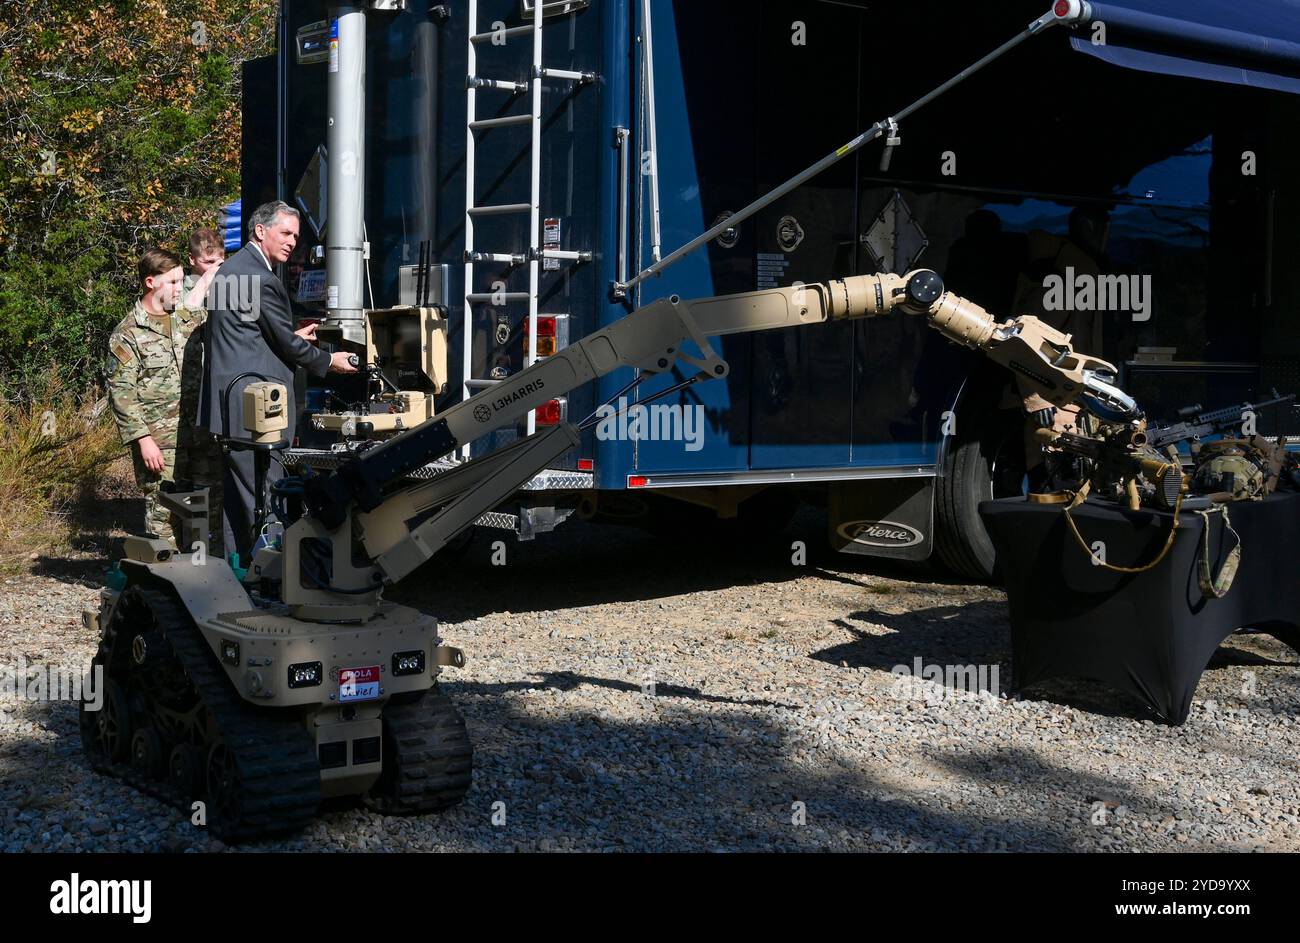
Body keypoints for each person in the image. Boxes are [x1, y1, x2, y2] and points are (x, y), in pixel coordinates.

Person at [198, 200, 357, 560]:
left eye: (296, 236)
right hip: (257, 409)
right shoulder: (262, 279)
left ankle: (237, 573)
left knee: (239, 500)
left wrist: (293, 336)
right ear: (260, 230)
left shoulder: (231, 270)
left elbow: (244, 334)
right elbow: (282, 344)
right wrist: (329, 360)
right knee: (267, 498)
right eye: (285, 233)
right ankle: (267, 579)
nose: (292, 242)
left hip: (229, 404)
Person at [106, 248, 213, 544]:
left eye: (182, 281)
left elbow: (237, 334)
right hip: (159, 442)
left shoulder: (189, 318)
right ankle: (164, 581)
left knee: (202, 512)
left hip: (199, 434)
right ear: (150, 282)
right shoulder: (127, 334)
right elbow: (122, 393)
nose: (181, 289)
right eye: (174, 282)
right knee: (163, 516)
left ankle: (200, 579)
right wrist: (143, 440)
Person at [180, 227, 227, 556]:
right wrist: (208, 278)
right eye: (209, 261)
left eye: (220, 260)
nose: (216, 266)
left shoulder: (232, 284)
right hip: (182, 404)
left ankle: (207, 552)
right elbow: (183, 317)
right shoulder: (180, 288)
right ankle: (183, 550)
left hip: (212, 399)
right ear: (193, 260)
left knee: (210, 483)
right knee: (181, 484)